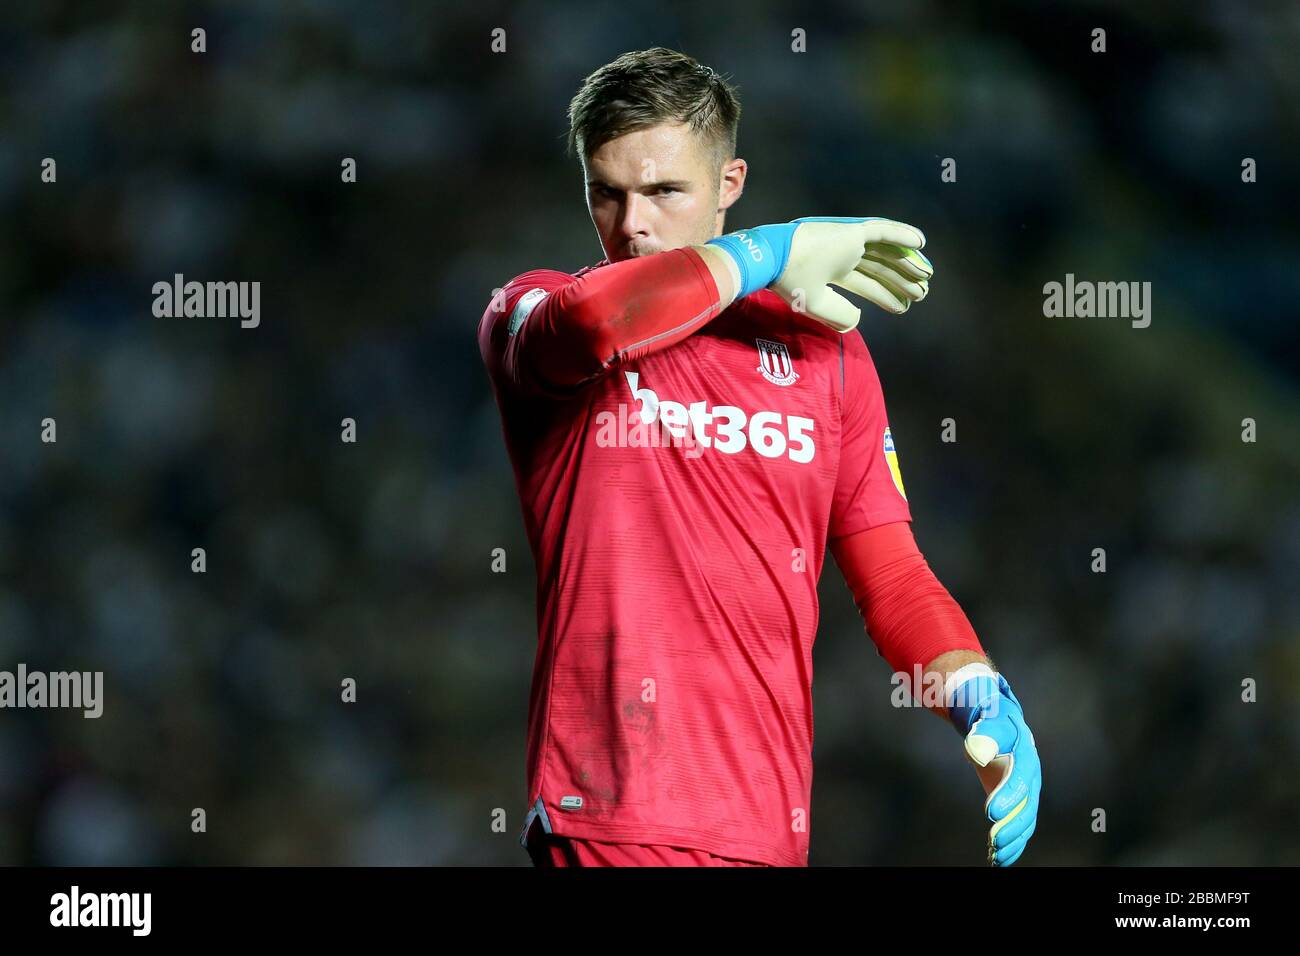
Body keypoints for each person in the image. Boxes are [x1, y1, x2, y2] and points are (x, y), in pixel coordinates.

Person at [478, 47, 1040, 867]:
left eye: (666, 191)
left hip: (769, 829)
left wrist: (975, 691)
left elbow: (891, 574)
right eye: (608, 193)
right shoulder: (533, 317)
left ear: (728, 185)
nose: (633, 223)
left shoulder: (828, 354)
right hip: (613, 818)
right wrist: (772, 249)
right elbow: (597, 323)